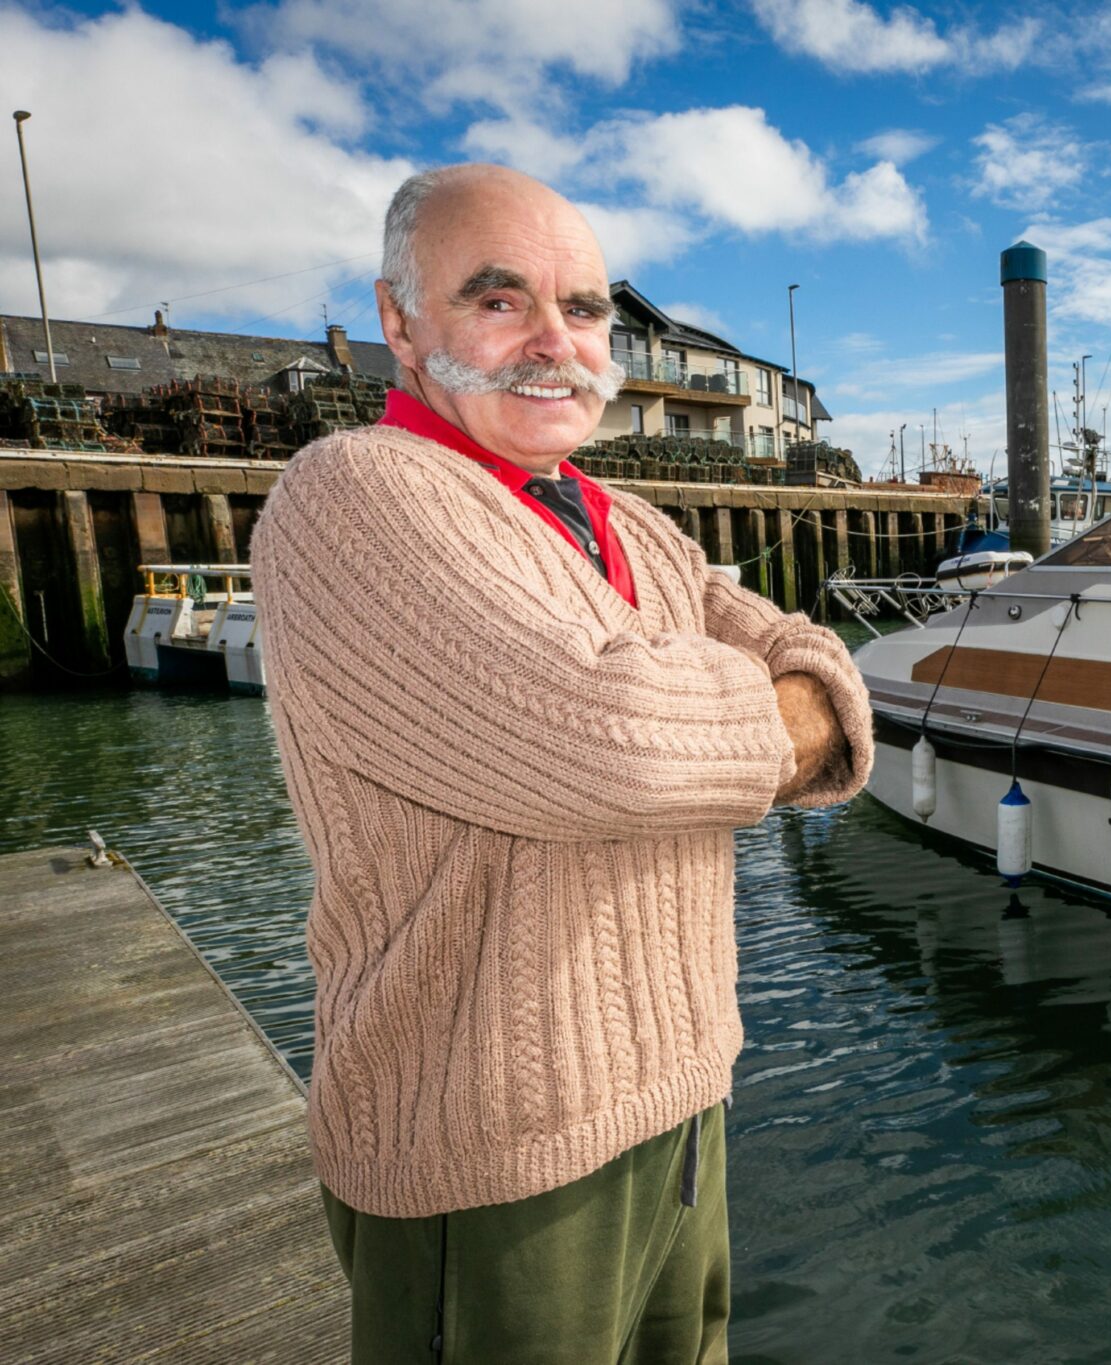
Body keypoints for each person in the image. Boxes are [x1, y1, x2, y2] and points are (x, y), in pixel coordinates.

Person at [250, 163, 873, 1363]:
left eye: (584, 310)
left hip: (684, 1099)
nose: (555, 342)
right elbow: (622, 750)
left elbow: (822, 671)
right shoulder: (353, 496)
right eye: (499, 300)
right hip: (490, 1153)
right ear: (399, 323)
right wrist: (747, 719)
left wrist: (730, 712)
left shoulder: (626, 521)